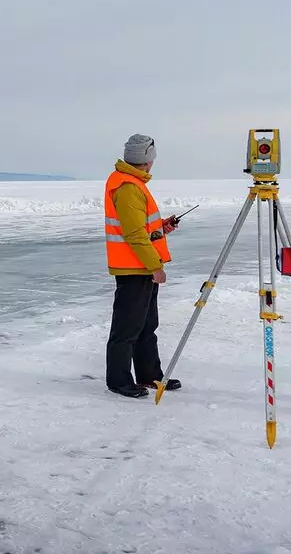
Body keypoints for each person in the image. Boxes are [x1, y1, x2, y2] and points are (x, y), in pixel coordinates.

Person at [103, 134, 182, 398]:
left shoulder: (134, 183)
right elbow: (134, 235)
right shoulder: (127, 187)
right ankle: (119, 380)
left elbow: (142, 229)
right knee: (127, 328)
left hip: (140, 267)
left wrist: (161, 228)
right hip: (133, 269)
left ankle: (150, 375)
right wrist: (155, 267)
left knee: (147, 325)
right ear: (148, 160)